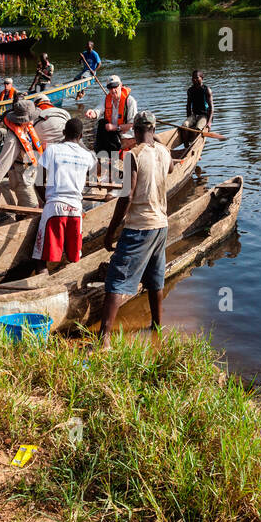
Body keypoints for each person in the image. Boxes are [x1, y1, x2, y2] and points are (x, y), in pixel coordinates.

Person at [99, 112, 173, 348]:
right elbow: (170, 169)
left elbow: (126, 197)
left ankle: (104, 340)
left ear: (136, 130)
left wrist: (111, 232)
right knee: (155, 279)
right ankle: (157, 328)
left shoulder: (133, 155)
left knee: (116, 279)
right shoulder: (163, 151)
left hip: (140, 226)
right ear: (153, 129)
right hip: (161, 225)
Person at [32, 117, 95, 273]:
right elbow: (95, 172)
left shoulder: (52, 150)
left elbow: (38, 182)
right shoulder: (87, 156)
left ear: (63, 133)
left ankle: (43, 284)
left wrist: (48, 200)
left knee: (41, 260)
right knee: (74, 257)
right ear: (81, 136)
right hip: (75, 210)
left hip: (54, 208)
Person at [0, 99, 44, 208]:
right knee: (33, 207)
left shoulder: (27, 130)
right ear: (23, 120)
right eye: (31, 118)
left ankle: (19, 215)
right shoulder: (12, 139)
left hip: (30, 176)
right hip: (21, 179)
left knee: (36, 204)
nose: (33, 121)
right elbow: (4, 162)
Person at [94, 74, 136, 183]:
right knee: (101, 123)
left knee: (110, 135)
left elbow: (132, 125)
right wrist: (93, 113)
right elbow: (99, 109)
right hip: (112, 135)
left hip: (126, 134)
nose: (113, 90)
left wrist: (115, 127)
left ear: (121, 86)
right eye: (110, 88)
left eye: (115, 87)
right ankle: (103, 159)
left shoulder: (130, 101)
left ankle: (118, 167)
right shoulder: (107, 99)